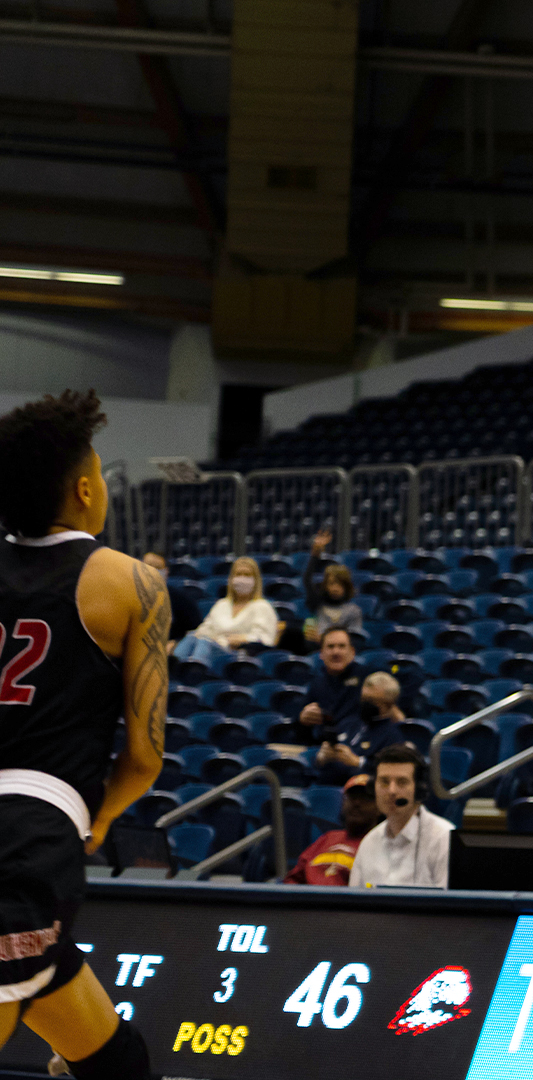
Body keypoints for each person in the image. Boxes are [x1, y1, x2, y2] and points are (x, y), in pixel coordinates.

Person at [0, 390, 168, 1078]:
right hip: (29, 841)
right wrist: (94, 820)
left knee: (117, 1062)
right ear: (87, 488)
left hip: (24, 849)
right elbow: (143, 757)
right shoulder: (130, 583)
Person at [348, 745, 452, 888]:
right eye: (384, 782)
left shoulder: (443, 838)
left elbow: (450, 906)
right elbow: (354, 904)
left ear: (419, 789)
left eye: (402, 782)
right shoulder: (369, 842)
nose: (392, 791)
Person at [172, 556, 278, 664]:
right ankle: (173, 670)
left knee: (204, 643)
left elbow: (264, 638)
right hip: (215, 645)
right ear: (231, 578)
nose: (242, 579)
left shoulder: (262, 606)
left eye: (247, 575)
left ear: (256, 580)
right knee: (191, 638)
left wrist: (241, 639)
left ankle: (197, 670)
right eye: (238, 574)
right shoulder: (222, 605)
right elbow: (205, 630)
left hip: (239, 653)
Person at [314, 671, 412, 787]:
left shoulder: (393, 737)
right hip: (328, 786)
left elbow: (390, 775)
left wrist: (358, 762)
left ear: (388, 704)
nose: (365, 704)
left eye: (371, 701)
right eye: (363, 699)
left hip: (362, 794)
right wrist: (322, 757)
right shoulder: (348, 723)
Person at [282, 783, 380, 886]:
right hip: (310, 899)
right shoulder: (328, 838)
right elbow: (293, 880)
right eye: (352, 798)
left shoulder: (380, 844)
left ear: (379, 807)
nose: (356, 803)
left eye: (365, 798)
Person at [295, 627, 367, 745]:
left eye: (342, 646)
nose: (336, 652)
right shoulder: (317, 684)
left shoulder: (366, 677)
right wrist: (303, 719)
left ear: (352, 652)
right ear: (321, 654)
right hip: (325, 747)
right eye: (330, 647)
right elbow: (302, 734)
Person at [300, 529, 363, 649]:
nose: (335, 588)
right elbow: (307, 580)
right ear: (325, 586)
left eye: (340, 584)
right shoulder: (318, 605)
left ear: (347, 587)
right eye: (331, 584)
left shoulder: (353, 611)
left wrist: (325, 640)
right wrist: (315, 552)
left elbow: (354, 640)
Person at [141, 551, 201, 652]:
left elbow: (196, 631)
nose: (152, 571)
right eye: (148, 566)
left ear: (166, 572)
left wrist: (176, 643)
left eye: (157, 567)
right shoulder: (130, 596)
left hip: (171, 652)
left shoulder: (180, 599)